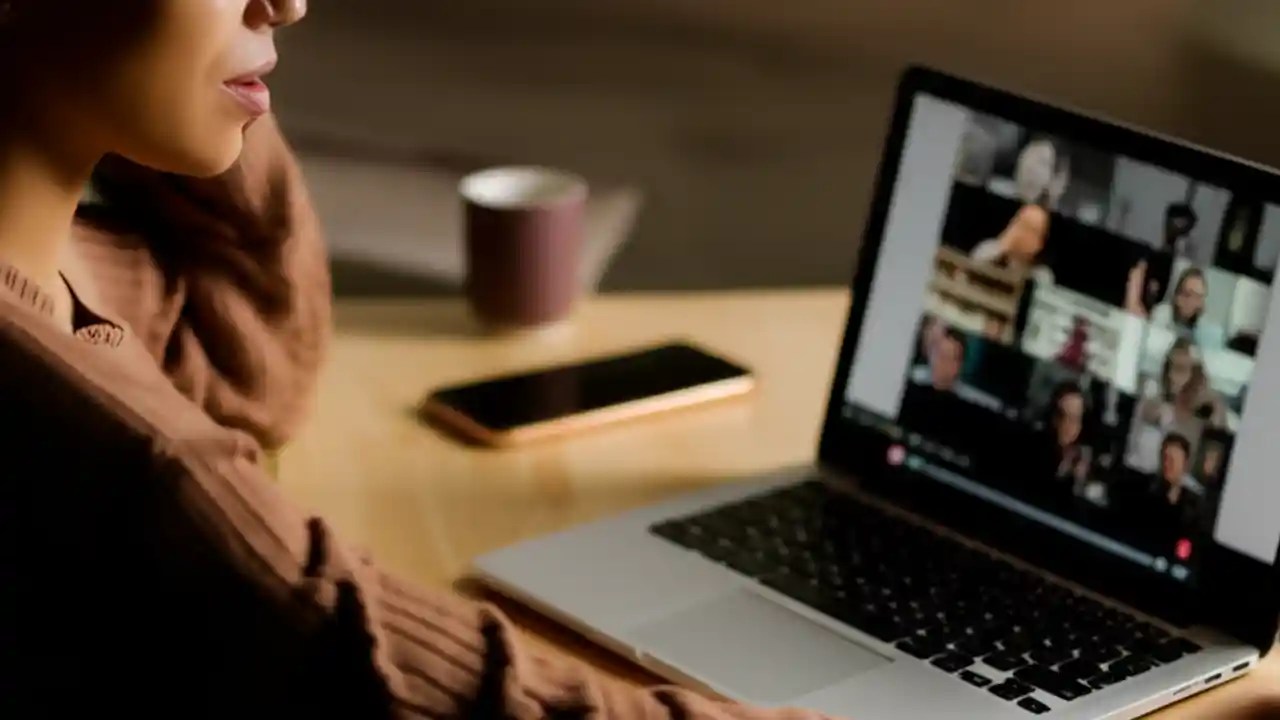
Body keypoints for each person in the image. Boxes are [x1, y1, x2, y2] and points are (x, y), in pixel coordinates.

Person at [0, 3, 837, 718]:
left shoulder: (62, 266)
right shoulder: (114, 444)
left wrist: (203, 86)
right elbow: (413, 671)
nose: (287, 3)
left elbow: (247, 360)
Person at [1126, 338, 1224, 486]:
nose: (1172, 376)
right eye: (1169, 368)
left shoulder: (1207, 413)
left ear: (1195, 374)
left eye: (1180, 369)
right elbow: (1133, 453)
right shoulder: (1154, 404)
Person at [1126, 265, 1226, 349]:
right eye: (1189, 294)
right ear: (1178, 296)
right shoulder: (1162, 314)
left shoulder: (1206, 328)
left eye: (1198, 297)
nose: (1193, 302)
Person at [969, 203, 1053, 287]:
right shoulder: (988, 249)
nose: (1023, 233)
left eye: (1031, 230)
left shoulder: (1041, 276)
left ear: (1040, 243)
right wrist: (1004, 249)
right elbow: (971, 276)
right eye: (1021, 224)